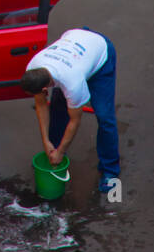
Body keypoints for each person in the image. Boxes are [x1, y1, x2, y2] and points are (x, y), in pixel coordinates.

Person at [20, 27, 120, 193]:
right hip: (75, 44)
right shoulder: (34, 68)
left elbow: (75, 121)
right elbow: (41, 105)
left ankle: (110, 170)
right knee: (58, 109)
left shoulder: (72, 83)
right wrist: (46, 142)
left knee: (104, 117)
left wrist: (61, 151)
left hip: (100, 53)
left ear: (44, 88)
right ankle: (53, 153)